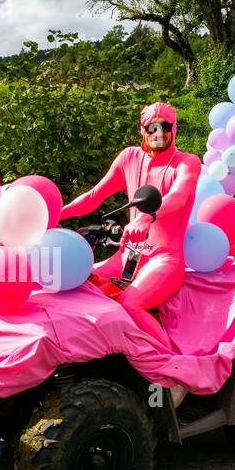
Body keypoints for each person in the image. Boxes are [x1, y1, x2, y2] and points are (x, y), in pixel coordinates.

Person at [59, 102, 201, 345]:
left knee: (131, 304)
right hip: (127, 256)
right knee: (77, 283)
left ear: (174, 128)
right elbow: (94, 196)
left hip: (163, 259)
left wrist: (147, 216)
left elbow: (177, 196)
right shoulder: (129, 157)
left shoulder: (187, 163)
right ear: (141, 129)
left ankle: (171, 366)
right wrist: (56, 214)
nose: (158, 133)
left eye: (165, 126)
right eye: (151, 127)